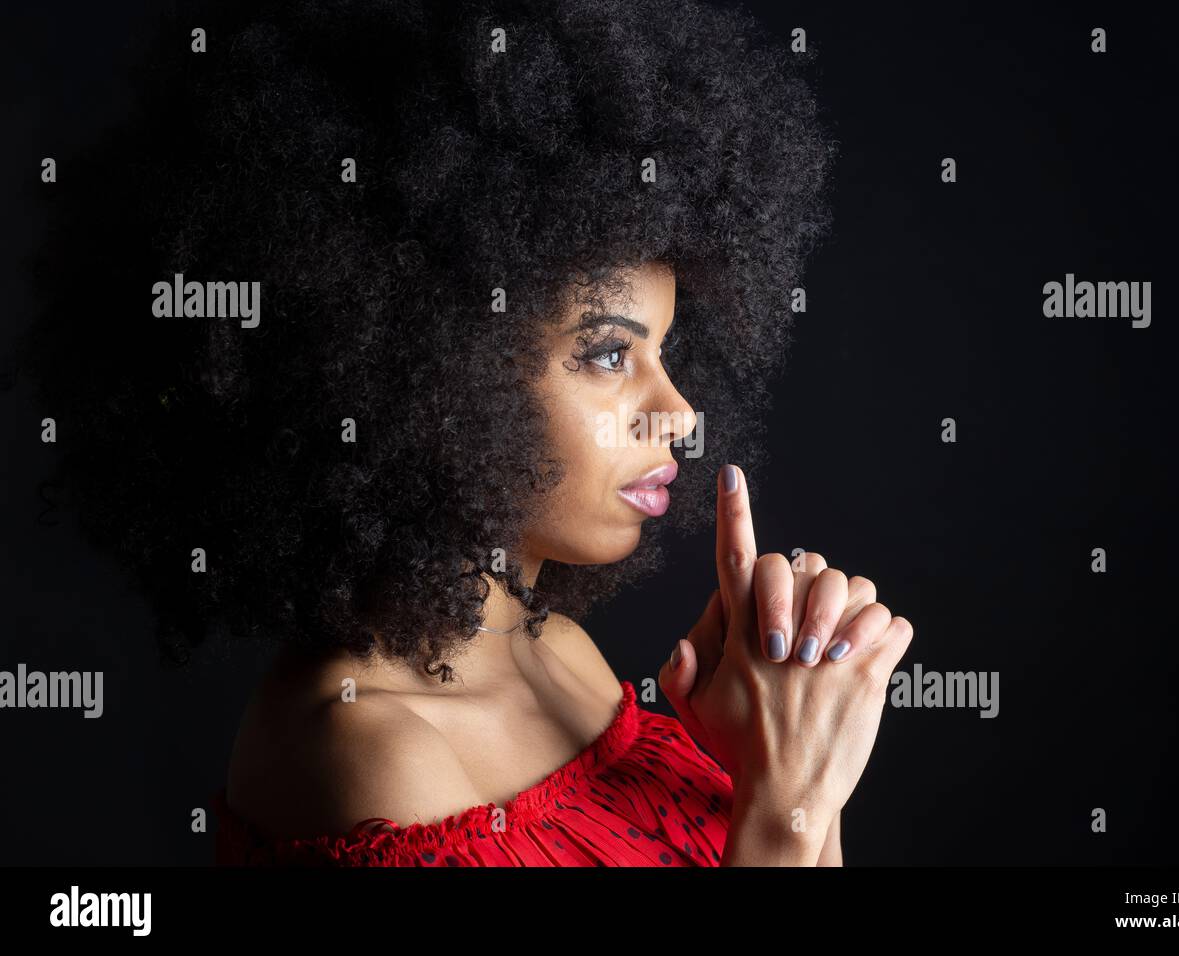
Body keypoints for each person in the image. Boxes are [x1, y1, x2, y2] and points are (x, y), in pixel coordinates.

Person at [19, 0, 913, 866]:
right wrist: (789, 811)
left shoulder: (559, 655)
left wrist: (778, 763)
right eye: (607, 355)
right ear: (425, 368)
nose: (678, 413)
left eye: (668, 351)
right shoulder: (367, 753)